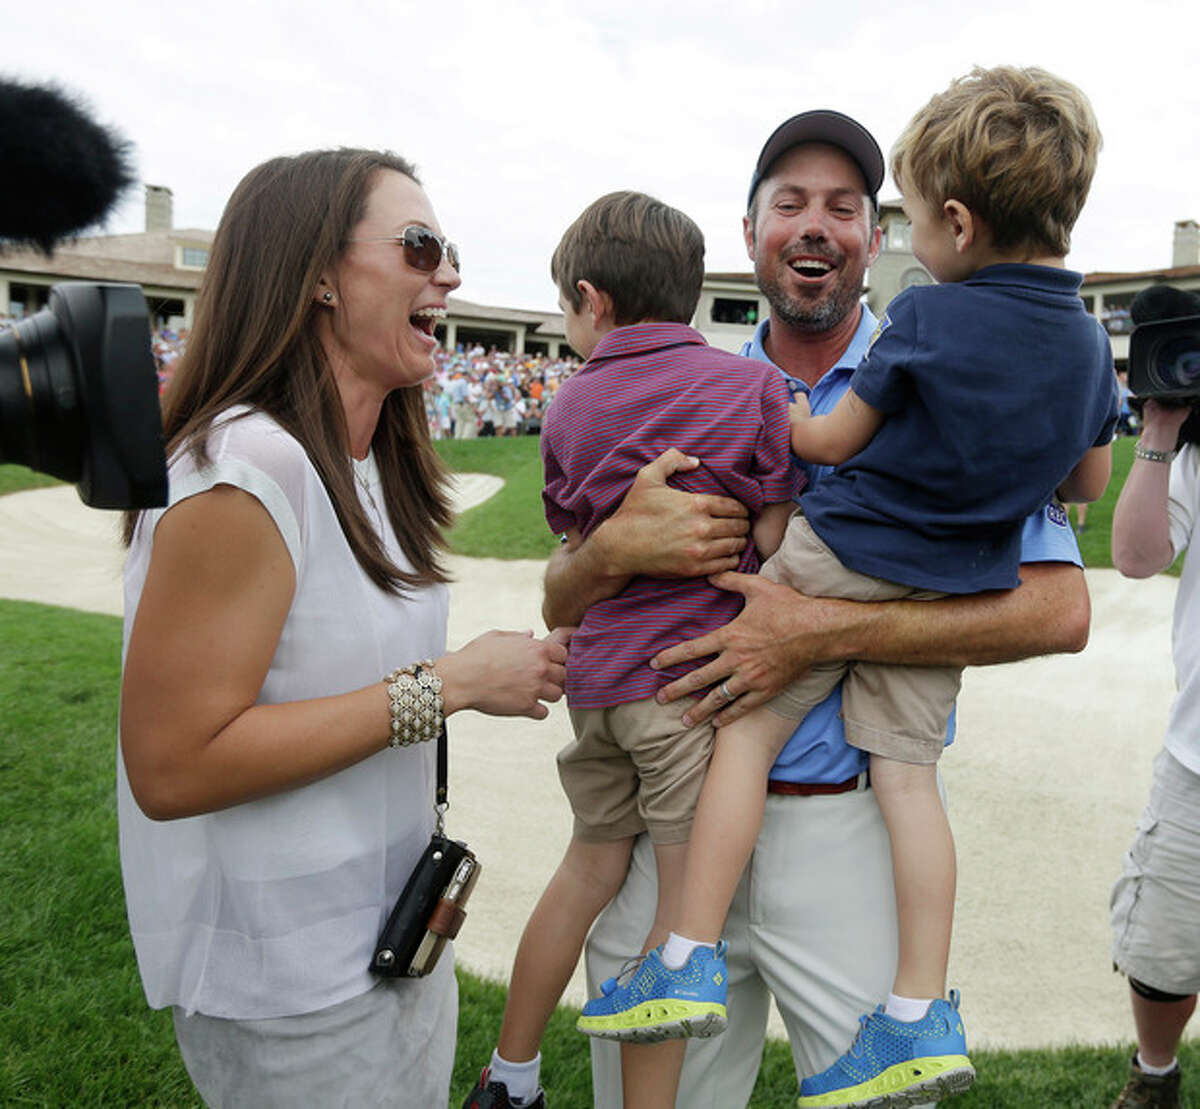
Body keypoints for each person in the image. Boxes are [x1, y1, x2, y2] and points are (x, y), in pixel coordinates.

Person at [578, 66, 1118, 1109]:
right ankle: (894, 1003)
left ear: (883, 237)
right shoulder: (1063, 348)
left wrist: (815, 628)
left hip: (841, 826)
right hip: (674, 811)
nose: (816, 224)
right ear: (750, 232)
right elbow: (569, 593)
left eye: (846, 205)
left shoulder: (934, 334)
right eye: (790, 202)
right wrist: (600, 555)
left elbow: (1063, 610)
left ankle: (693, 957)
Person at [116, 148, 569, 1109]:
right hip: (289, 991)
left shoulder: (368, 463)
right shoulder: (247, 467)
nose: (449, 275)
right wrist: (449, 685)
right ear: (319, 274)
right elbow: (172, 763)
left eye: (448, 250)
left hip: (394, 943)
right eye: (420, 246)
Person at [463, 190, 796, 1109]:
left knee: (588, 867)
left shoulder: (570, 403)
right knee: (682, 927)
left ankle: (511, 1072)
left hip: (599, 688)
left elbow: (577, 541)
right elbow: (774, 525)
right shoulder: (752, 386)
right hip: (678, 691)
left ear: (591, 298)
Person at [1108, 377, 1200, 1105]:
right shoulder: (1196, 454)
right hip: (1197, 759)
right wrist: (1162, 429)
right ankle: (1156, 1074)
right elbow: (1138, 557)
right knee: (1162, 949)